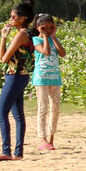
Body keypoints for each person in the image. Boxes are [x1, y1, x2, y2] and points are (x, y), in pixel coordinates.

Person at [0, 2, 36, 161]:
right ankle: (18, 152)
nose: (10, 19)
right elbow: (2, 56)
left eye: (13, 17)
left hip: (15, 76)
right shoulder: (26, 34)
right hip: (21, 76)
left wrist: (5, 38)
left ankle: (6, 151)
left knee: (1, 113)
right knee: (18, 116)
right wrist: (4, 37)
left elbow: (4, 59)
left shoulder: (21, 35)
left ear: (22, 19)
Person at [31, 13, 65, 151]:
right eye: (46, 27)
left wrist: (53, 37)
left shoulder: (53, 39)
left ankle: (51, 138)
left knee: (55, 108)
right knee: (43, 108)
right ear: (39, 27)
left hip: (54, 78)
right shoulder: (35, 40)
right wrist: (44, 36)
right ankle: (42, 138)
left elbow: (62, 53)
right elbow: (45, 52)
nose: (49, 30)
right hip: (41, 78)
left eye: (51, 27)